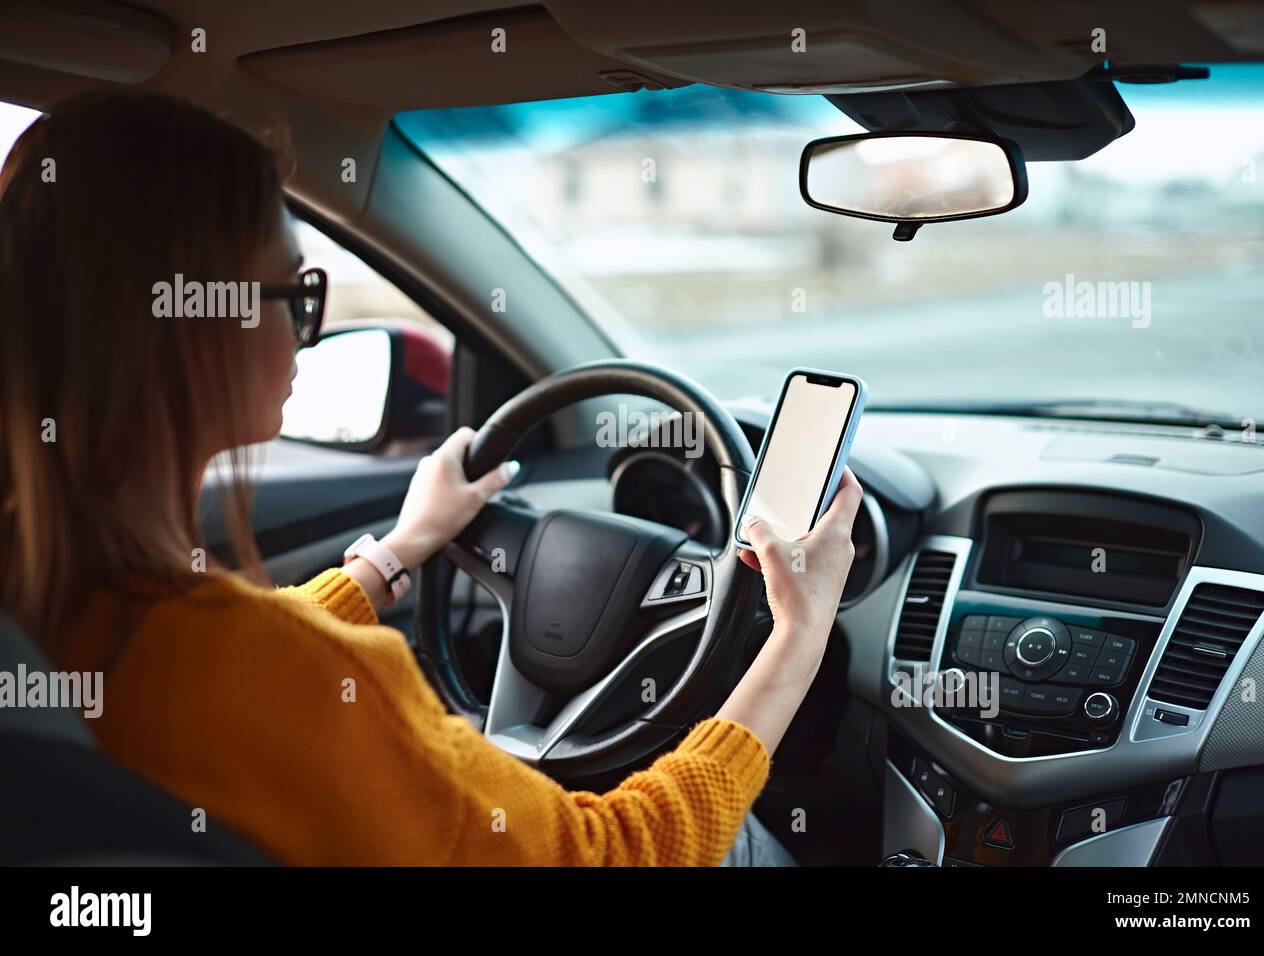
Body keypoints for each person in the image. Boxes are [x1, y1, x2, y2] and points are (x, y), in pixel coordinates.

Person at [0, 91, 863, 866]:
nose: (306, 331)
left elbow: (232, 660)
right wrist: (798, 635)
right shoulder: (299, 683)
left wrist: (401, 549)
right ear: (199, 330)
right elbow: (624, 850)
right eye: (295, 293)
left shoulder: (40, 597)